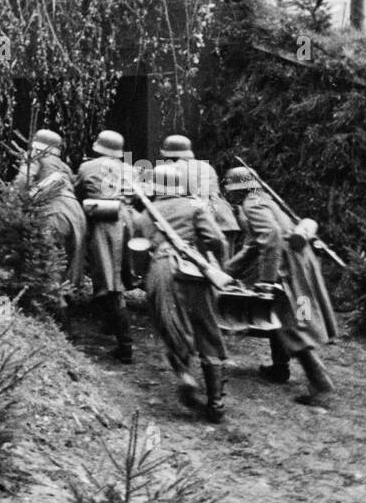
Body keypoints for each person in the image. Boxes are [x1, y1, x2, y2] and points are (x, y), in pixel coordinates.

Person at [222, 166, 339, 409]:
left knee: (293, 322)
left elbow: (271, 237)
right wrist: (225, 271)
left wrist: (266, 281)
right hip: (295, 262)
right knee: (278, 314)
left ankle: (321, 384)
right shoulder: (262, 199)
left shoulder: (252, 205)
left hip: (288, 269)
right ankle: (279, 368)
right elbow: (255, 246)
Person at [130, 161, 230, 423]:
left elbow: (137, 252)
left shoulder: (144, 215)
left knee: (171, 326)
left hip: (160, 268)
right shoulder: (195, 205)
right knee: (207, 328)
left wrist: (144, 276)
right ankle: (216, 403)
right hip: (194, 270)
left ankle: (184, 374)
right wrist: (215, 263)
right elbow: (217, 240)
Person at [74, 129, 136, 363]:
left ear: (98, 147)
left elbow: (78, 191)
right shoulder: (131, 169)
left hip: (103, 226)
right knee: (114, 279)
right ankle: (111, 326)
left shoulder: (87, 167)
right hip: (127, 225)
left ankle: (126, 345)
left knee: (110, 285)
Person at [13, 128, 87, 303]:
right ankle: (67, 319)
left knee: (50, 265)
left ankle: (57, 316)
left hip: (54, 210)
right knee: (68, 268)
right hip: (77, 212)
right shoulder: (64, 166)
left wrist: (11, 203)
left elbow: (22, 181)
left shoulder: (35, 158)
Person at [159, 134, 240, 257]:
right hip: (224, 221)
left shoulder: (171, 170)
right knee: (223, 271)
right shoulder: (206, 166)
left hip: (204, 225)